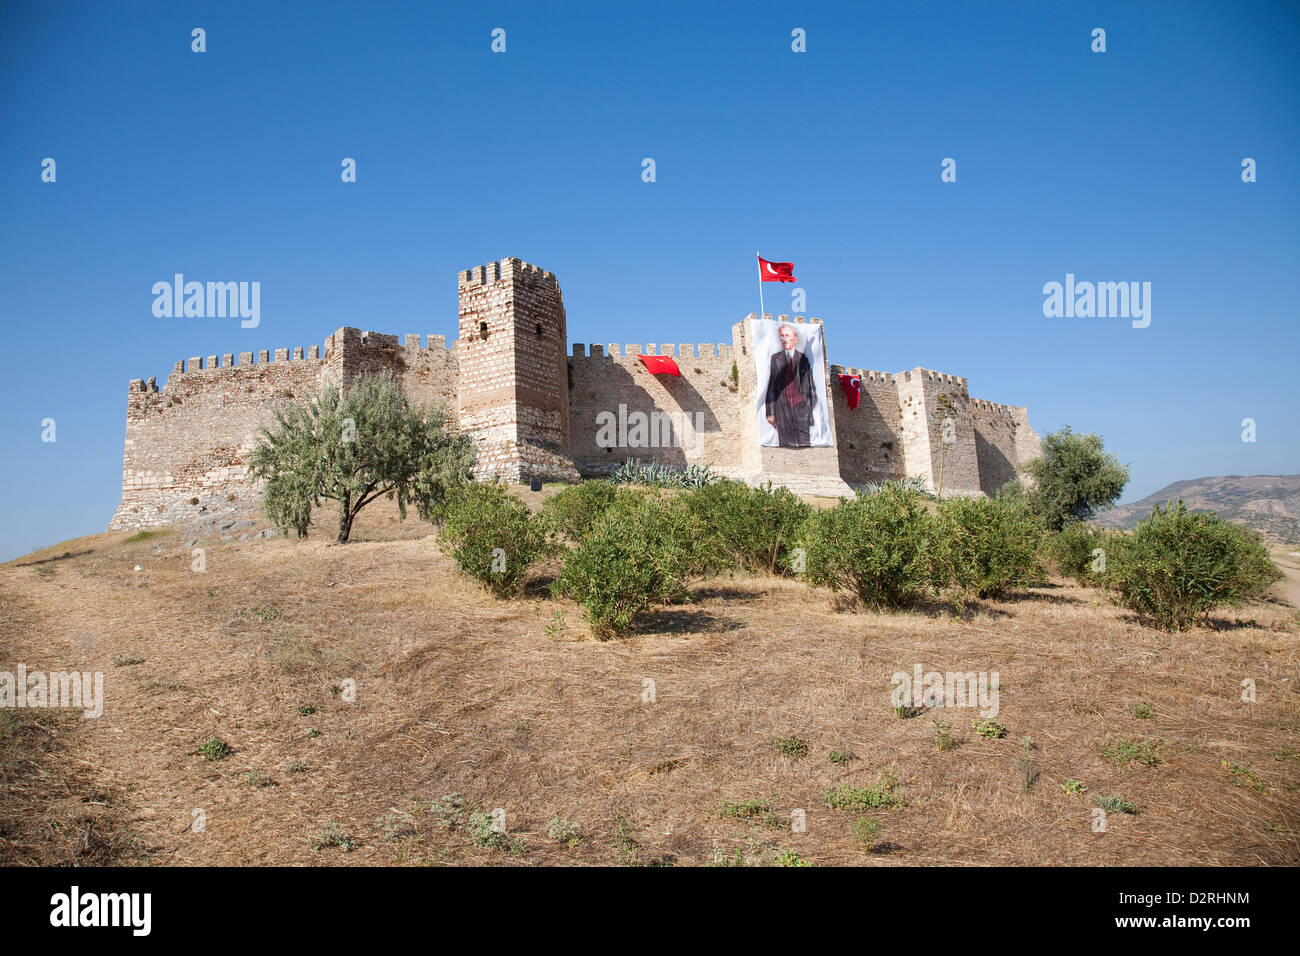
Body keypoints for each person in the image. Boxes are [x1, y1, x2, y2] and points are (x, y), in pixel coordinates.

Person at [764, 323, 818, 447]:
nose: (784, 339)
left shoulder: (803, 359)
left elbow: (810, 387)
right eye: (782, 336)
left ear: (795, 338)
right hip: (782, 408)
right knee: (785, 445)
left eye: (787, 335)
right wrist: (770, 412)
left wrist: (807, 409)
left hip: (801, 408)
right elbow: (772, 385)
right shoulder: (775, 358)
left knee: (805, 445)